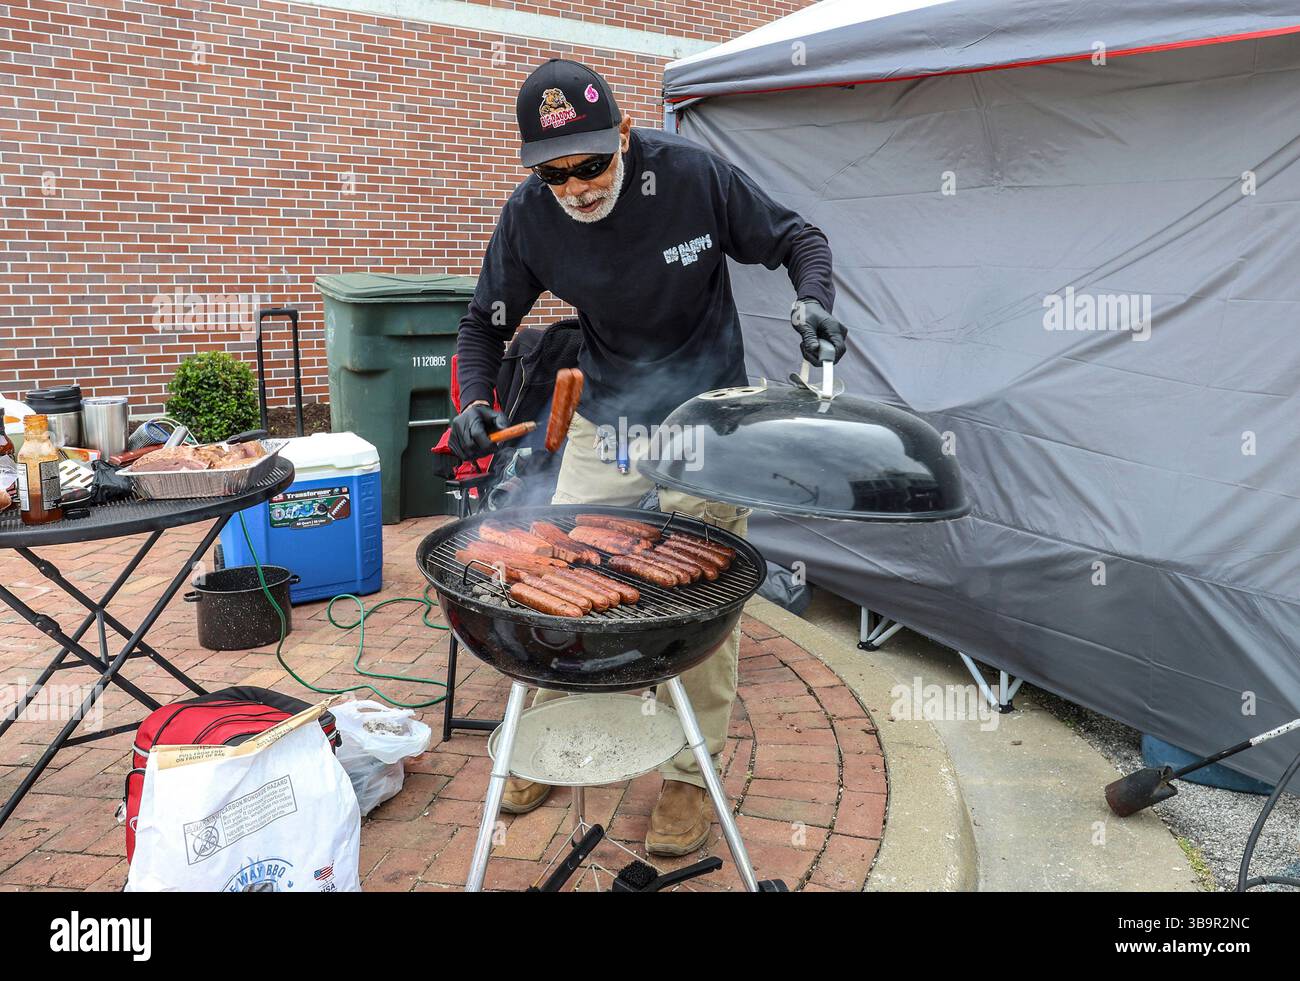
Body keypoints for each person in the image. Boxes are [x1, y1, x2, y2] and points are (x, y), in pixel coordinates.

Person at [449, 58, 846, 857]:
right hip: (609, 419)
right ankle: (552, 733)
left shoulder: (693, 177)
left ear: (623, 136)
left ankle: (689, 780)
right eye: (556, 172)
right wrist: (472, 401)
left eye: (591, 163)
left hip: (708, 419)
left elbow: (798, 237)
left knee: (704, 601)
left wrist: (813, 302)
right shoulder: (532, 215)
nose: (578, 185)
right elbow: (481, 326)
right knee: (551, 581)